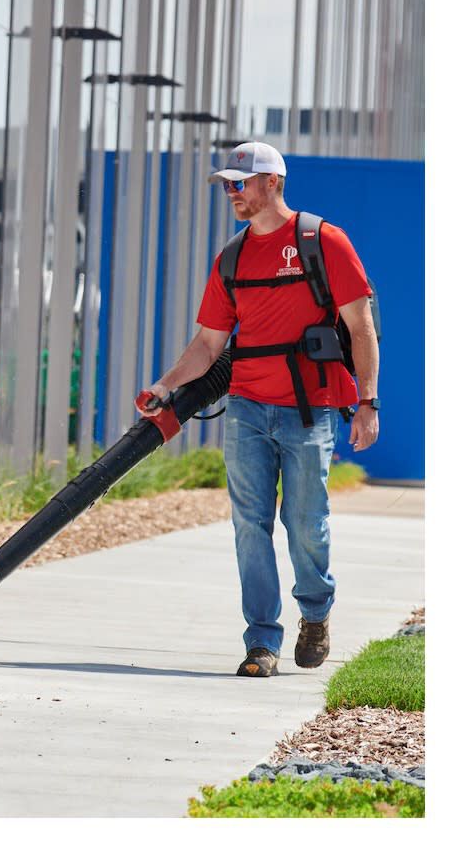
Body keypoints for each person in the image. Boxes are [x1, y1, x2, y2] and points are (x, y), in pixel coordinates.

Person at [139, 141, 379, 678]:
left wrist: (367, 402)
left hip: (310, 408)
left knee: (305, 521)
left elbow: (360, 326)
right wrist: (165, 385)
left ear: (272, 182)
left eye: (239, 183)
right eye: (227, 184)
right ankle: (262, 641)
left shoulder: (323, 241)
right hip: (247, 406)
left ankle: (315, 610)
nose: (231, 192)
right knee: (250, 524)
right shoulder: (232, 257)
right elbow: (208, 344)